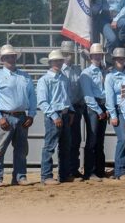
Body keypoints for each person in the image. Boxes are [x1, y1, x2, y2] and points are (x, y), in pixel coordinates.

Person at [0, 45, 36, 187]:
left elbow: (32, 97)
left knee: (22, 149)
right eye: (7, 57)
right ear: (2, 59)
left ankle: (19, 177)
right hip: (5, 116)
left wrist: (31, 115)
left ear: (16, 58)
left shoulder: (25, 77)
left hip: (21, 116)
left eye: (12, 56)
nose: (11, 59)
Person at [37, 50, 72, 185]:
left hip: (65, 113)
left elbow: (67, 97)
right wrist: (54, 116)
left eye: (60, 60)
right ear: (50, 63)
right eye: (55, 61)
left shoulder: (64, 78)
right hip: (54, 115)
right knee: (50, 146)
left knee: (65, 146)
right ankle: (46, 176)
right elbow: (42, 102)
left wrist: (71, 111)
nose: (58, 63)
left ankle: (64, 174)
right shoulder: (44, 80)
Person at [78, 43, 108, 181]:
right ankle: (90, 171)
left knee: (99, 139)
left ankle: (99, 169)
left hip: (101, 105)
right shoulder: (86, 73)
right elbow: (88, 96)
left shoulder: (104, 71)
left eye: (99, 55)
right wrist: (98, 110)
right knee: (93, 138)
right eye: (95, 55)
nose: (97, 57)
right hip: (93, 107)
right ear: (90, 57)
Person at [103, 49, 125, 180]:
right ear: (114, 60)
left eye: (122, 58)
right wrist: (113, 115)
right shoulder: (110, 77)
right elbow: (109, 97)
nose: (120, 60)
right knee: (123, 138)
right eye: (117, 58)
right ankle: (120, 170)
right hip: (118, 110)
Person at [58, 41, 84, 181]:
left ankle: (74, 168)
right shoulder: (59, 71)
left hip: (75, 107)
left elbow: (79, 89)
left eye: (70, 54)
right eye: (65, 54)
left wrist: (79, 103)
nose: (68, 56)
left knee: (76, 140)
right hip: (64, 109)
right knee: (65, 141)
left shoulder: (77, 70)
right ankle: (65, 170)